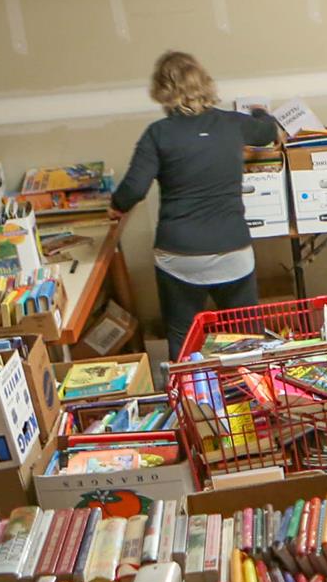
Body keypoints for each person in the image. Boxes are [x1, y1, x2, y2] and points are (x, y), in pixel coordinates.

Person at [111, 51, 278, 359]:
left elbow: (132, 190)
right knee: (246, 337)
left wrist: (114, 206)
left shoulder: (158, 134)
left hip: (180, 256)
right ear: (205, 85)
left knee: (184, 339)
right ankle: (248, 397)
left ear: (162, 91)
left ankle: (191, 400)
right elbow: (268, 132)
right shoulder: (232, 124)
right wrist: (260, 114)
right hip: (232, 250)